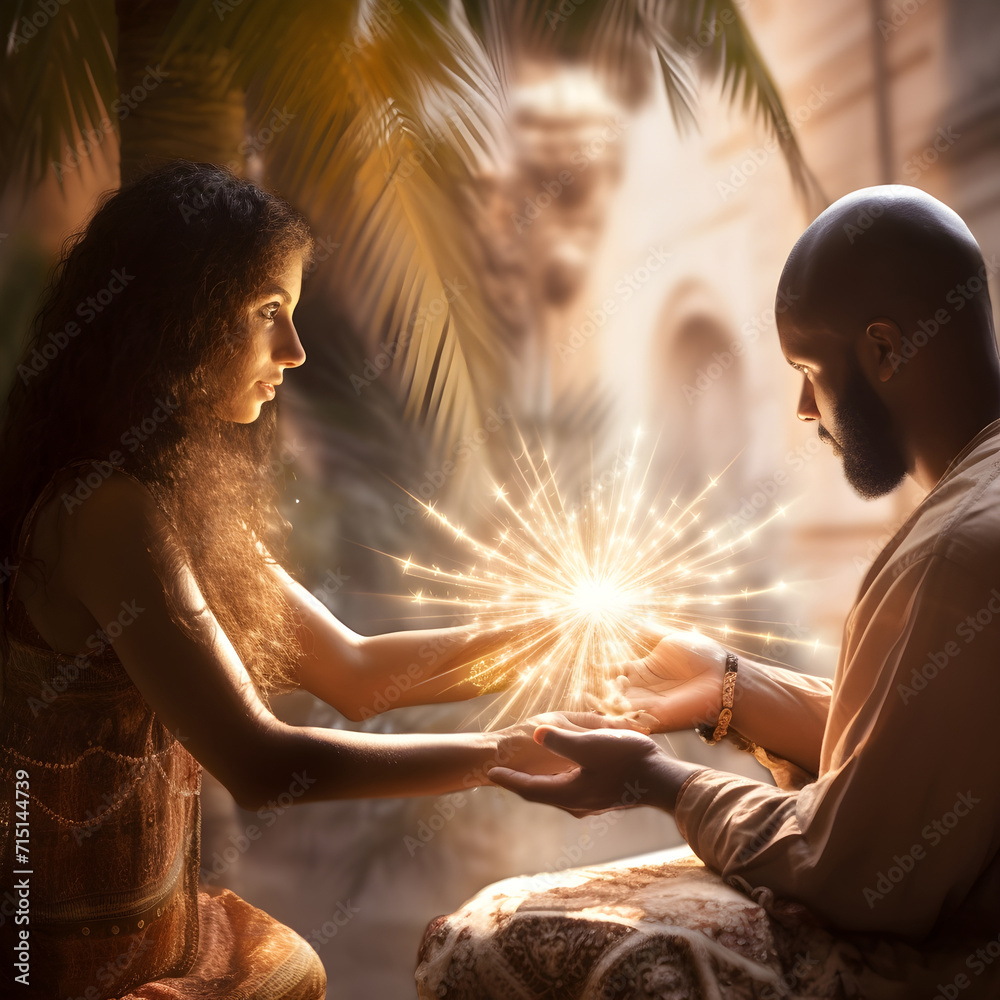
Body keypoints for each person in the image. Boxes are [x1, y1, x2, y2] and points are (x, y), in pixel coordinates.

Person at [0, 160, 618, 999]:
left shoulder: (166, 493)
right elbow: (258, 762)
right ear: (175, 314)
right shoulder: (106, 510)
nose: (293, 351)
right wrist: (504, 756)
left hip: (160, 938)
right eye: (268, 313)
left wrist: (566, 631)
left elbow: (358, 674)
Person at [458, 185, 1000, 998]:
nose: (804, 406)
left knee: (495, 940)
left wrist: (656, 780)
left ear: (885, 352)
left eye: (809, 369)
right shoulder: (970, 511)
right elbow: (926, 738)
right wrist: (732, 690)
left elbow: (857, 868)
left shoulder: (958, 550)